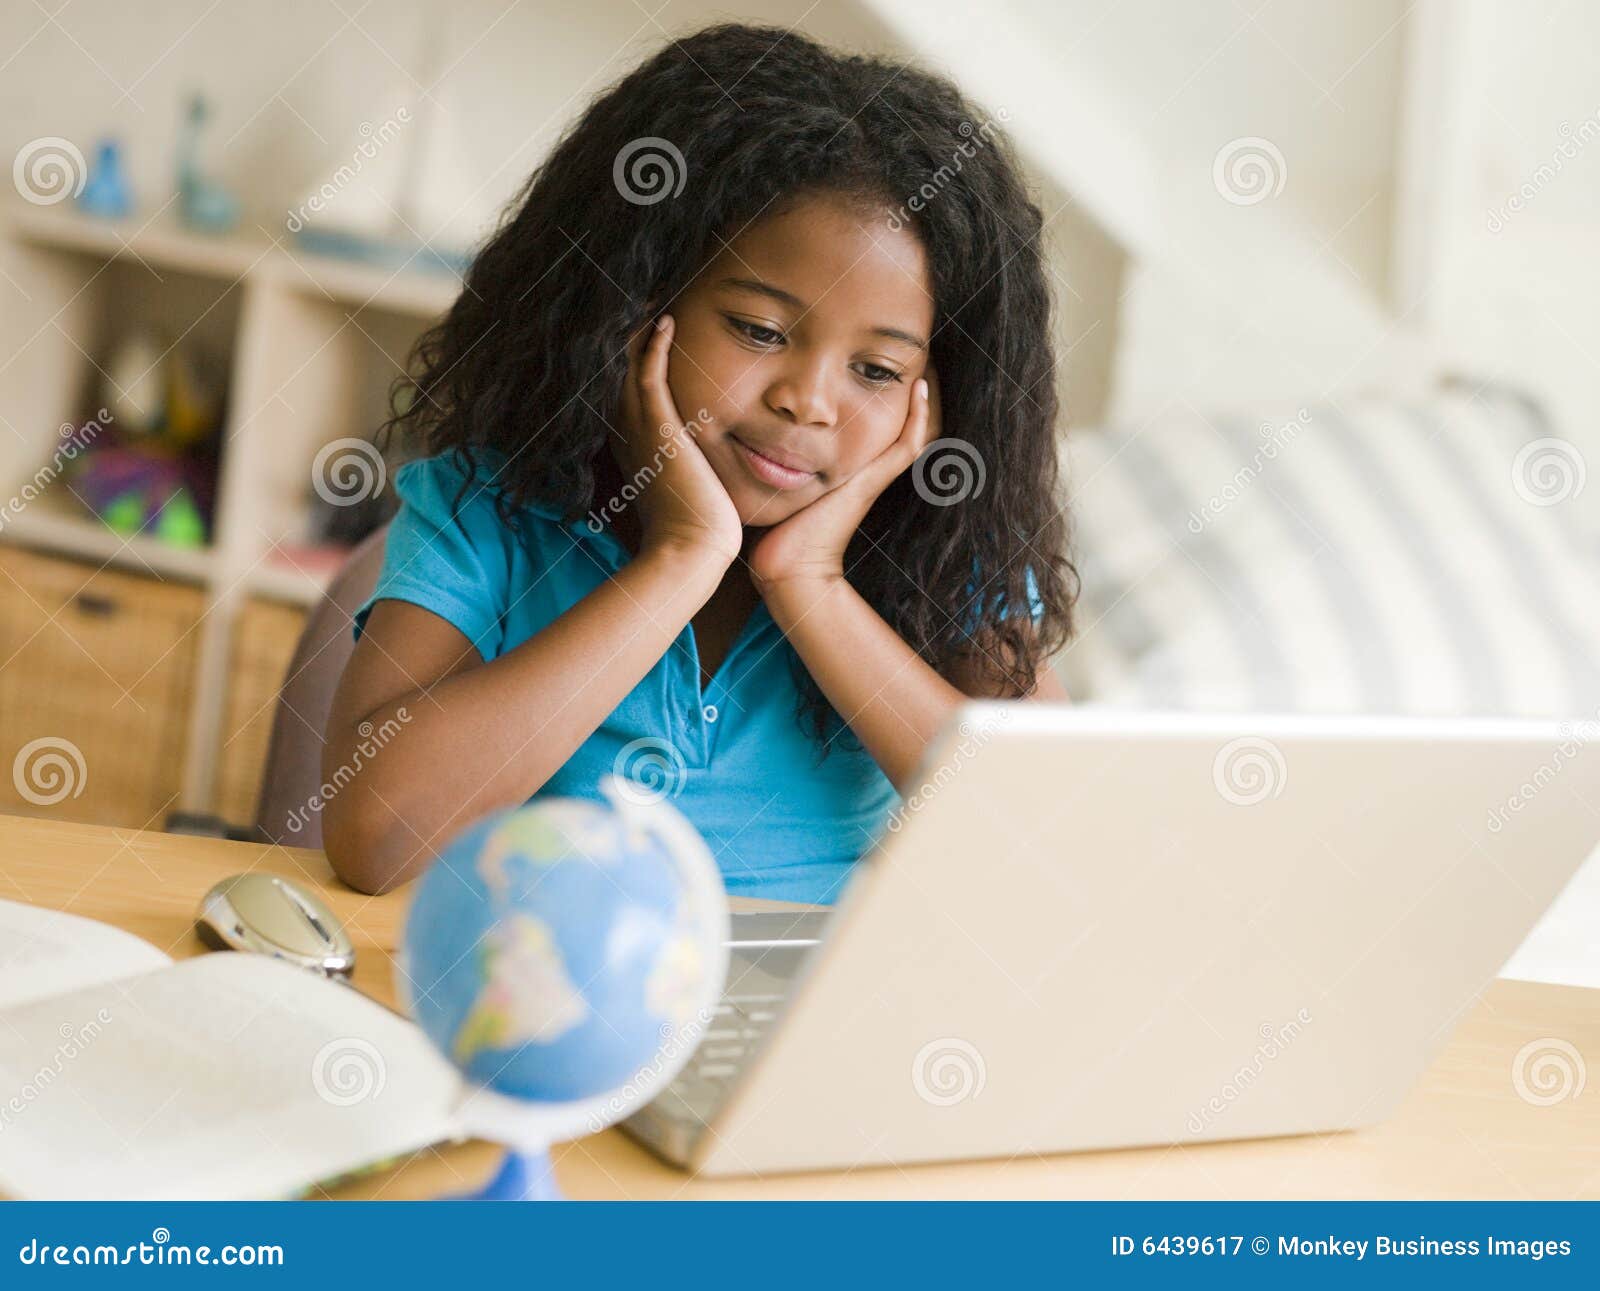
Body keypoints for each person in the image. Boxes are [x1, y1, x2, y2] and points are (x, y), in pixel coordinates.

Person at [321, 21, 1076, 899]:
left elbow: (1043, 840)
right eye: (758, 331)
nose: (809, 400)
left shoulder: (948, 550)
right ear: (629, 305)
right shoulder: (487, 508)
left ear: (934, 397)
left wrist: (813, 585)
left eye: (876, 370)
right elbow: (374, 837)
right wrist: (682, 556)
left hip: (799, 1028)